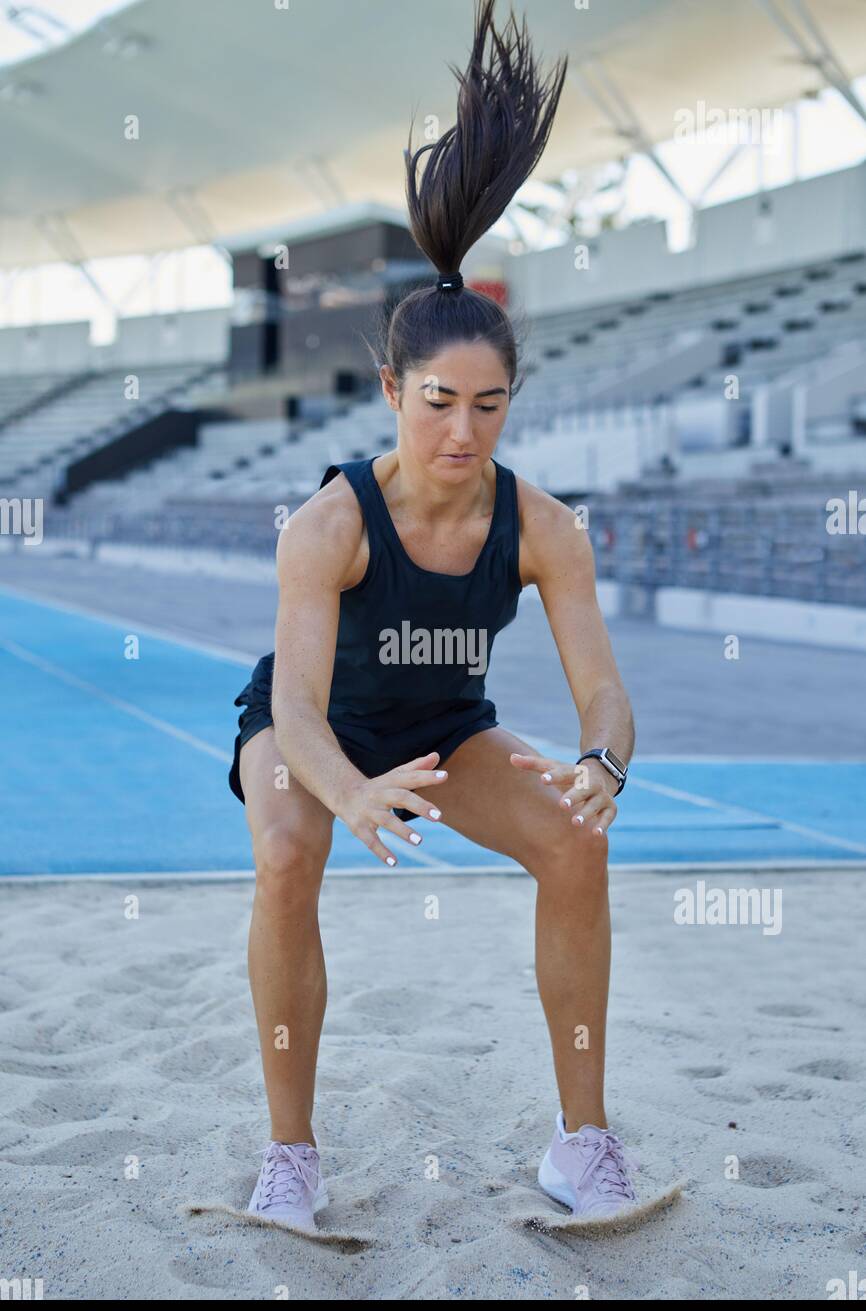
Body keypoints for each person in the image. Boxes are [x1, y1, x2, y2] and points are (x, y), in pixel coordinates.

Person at [228, 0, 637, 1235]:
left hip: (445, 727)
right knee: (289, 849)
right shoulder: (331, 526)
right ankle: (291, 1156)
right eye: (438, 403)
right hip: (316, 731)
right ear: (393, 390)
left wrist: (603, 762)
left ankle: (581, 1142)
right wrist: (347, 792)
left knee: (575, 837)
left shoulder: (542, 527)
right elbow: (297, 706)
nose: (462, 433)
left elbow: (601, 693)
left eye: (490, 406)